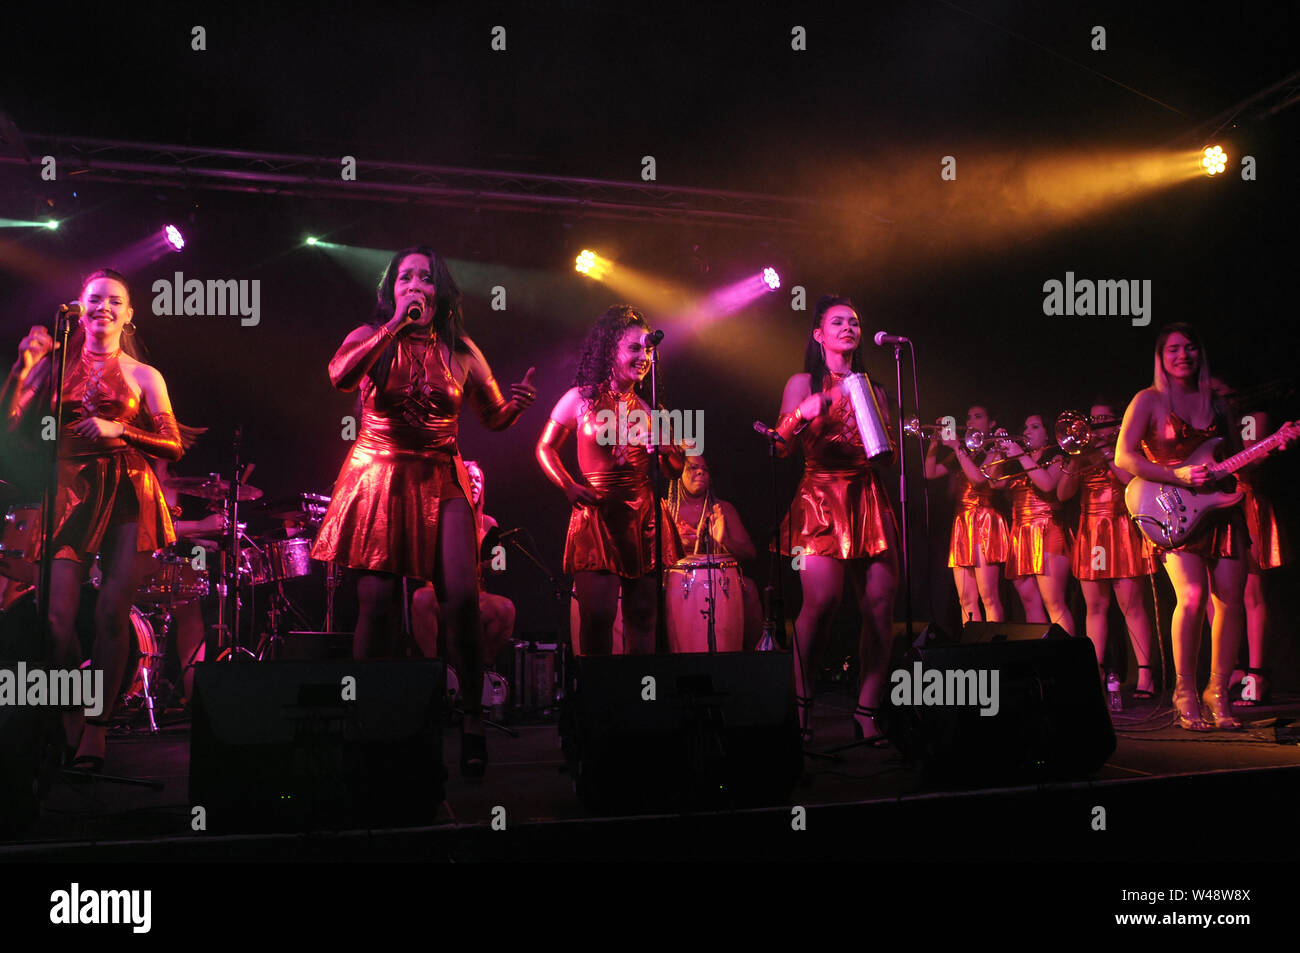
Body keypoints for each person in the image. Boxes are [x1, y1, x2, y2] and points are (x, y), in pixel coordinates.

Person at [310, 246, 536, 774]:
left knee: (461, 598)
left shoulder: (461, 349)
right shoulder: (368, 337)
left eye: (427, 278)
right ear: (393, 290)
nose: (417, 285)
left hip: (441, 472)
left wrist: (513, 408)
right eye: (407, 277)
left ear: (441, 292)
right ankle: (368, 720)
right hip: (379, 472)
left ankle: (473, 719)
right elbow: (340, 377)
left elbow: (492, 415)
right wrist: (392, 326)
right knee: (379, 602)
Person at [4, 268, 186, 772]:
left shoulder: (144, 375)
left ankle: (97, 730)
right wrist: (23, 367)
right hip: (67, 491)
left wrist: (120, 428)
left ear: (128, 314)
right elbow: (11, 426)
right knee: (56, 621)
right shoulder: (56, 365)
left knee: (111, 613)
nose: (103, 306)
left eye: (114, 300)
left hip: (127, 490)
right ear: (78, 308)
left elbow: (172, 444)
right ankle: (66, 715)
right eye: (95, 299)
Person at [1115, 323, 1271, 731]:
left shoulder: (1219, 403)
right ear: (1161, 357)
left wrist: (1268, 448)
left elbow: (1235, 456)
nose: (1183, 355)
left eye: (1190, 348)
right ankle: (1184, 691)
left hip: (1222, 507)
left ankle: (1217, 692)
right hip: (1173, 509)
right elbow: (1125, 457)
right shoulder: (1147, 400)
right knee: (1193, 596)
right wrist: (1179, 476)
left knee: (1231, 600)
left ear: (1200, 354)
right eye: (1173, 349)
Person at [773, 295, 898, 745]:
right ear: (819, 334)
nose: (848, 327)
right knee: (821, 603)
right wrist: (805, 412)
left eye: (855, 321)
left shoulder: (875, 388)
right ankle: (800, 707)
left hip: (867, 496)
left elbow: (885, 456)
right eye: (838, 322)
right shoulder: (803, 381)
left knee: (881, 607)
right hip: (820, 497)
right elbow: (778, 446)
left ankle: (866, 712)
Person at [536, 305, 683, 656]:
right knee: (598, 618)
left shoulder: (653, 411)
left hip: (644, 517)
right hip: (597, 515)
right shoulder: (579, 399)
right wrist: (568, 485)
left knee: (644, 616)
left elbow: (677, 468)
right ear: (609, 351)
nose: (644, 356)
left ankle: (640, 698)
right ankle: (598, 702)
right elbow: (544, 448)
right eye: (634, 348)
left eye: (647, 349)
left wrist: (666, 449)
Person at [1058, 402, 1157, 697]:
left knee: (1132, 606)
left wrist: (1108, 454)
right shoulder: (1082, 454)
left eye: (1104, 419)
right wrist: (1075, 459)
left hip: (1120, 527)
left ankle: (1145, 677)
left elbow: (1134, 482)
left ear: (1116, 425)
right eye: (1093, 419)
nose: (1096, 424)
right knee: (1095, 607)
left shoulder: (1128, 451)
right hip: (1091, 532)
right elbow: (1062, 494)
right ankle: (1095, 672)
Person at [1205, 379, 1293, 707]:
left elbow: (1250, 459)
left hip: (1247, 501)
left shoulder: (1251, 417)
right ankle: (1231, 669)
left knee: (1252, 594)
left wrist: (1273, 442)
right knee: (1215, 596)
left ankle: (1257, 674)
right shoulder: (1199, 418)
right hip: (1213, 506)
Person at [411, 459, 516, 673]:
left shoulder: (489, 523)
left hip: (475, 593)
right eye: (470, 479)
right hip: (439, 592)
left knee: (506, 608)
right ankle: (431, 670)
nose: (475, 484)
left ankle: (482, 670)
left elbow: (499, 568)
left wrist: (495, 561)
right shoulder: (438, 515)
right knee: (421, 598)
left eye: (479, 480)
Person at [666, 452, 763, 649]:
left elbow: (750, 553)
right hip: (676, 584)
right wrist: (675, 540)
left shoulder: (722, 509)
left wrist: (723, 540)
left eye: (705, 469)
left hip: (719, 583)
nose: (701, 472)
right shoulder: (667, 509)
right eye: (693, 468)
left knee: (750, 589)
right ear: (680, 474)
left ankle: (756, 659)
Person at [924, 405, 1010, 624]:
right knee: (966, 599)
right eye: (968, 417)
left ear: (991, 423)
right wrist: (935, 441)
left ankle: (995, 650)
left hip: (985, 521)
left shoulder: (995, 449)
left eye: (978, 416)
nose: (970, 421)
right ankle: (974, 649)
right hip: (962, 523)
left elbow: (980, 480)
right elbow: (930, 472)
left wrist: (956, 447)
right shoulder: (965, 452)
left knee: (988, 596)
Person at [992, 414, 1075, 635]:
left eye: (1035, 426)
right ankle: (1042, 660)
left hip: (1048, 529)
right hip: (1021, 533)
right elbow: (993, 482)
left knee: (1054, 603)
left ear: (1047, 433)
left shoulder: (1056, 457)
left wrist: (1019, 454)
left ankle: (1069, 662)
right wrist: (996, 450)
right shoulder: (1019, 461)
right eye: (1025, 427)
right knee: (1030, 605)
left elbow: (1047, 484)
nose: (1027, 431)